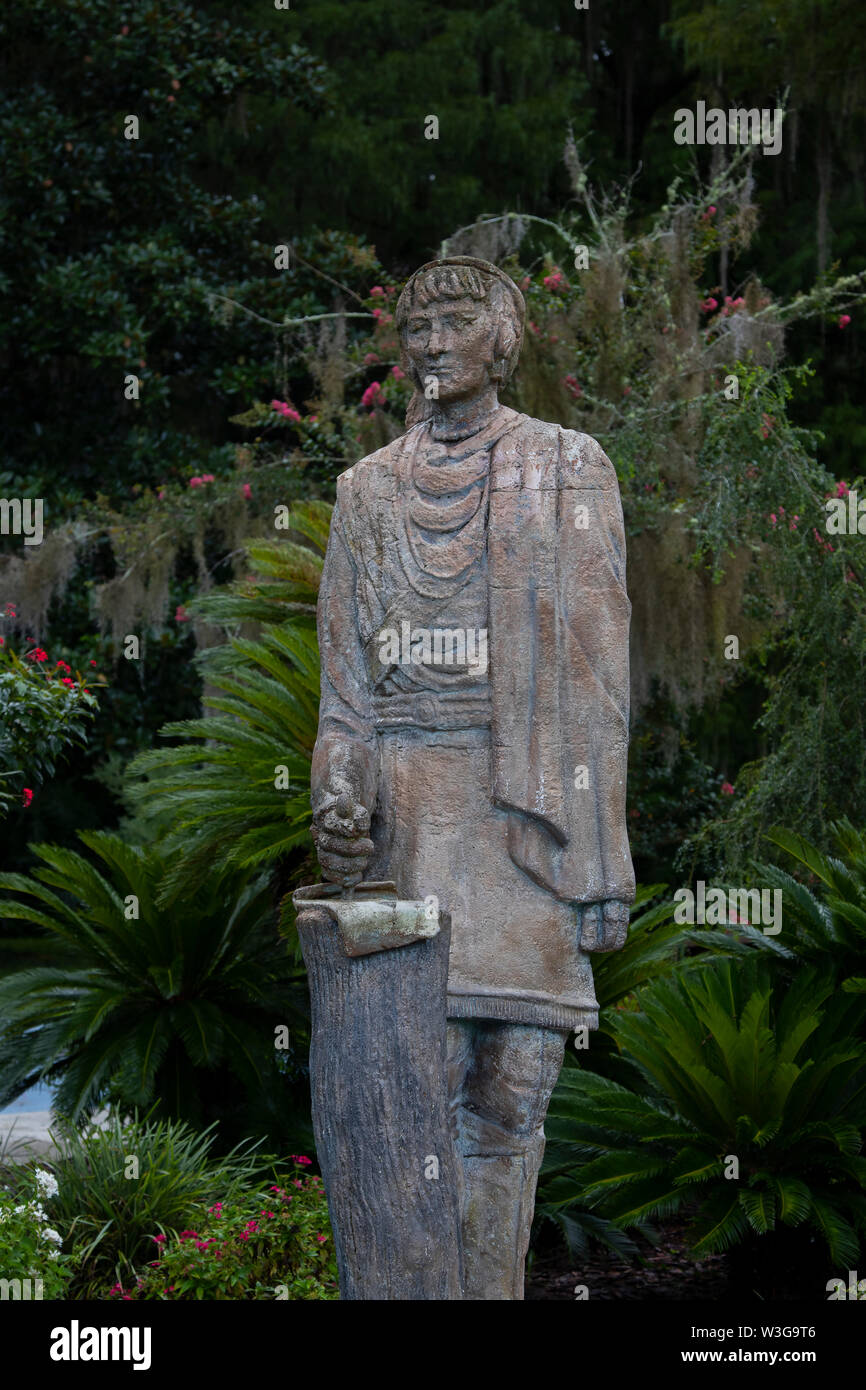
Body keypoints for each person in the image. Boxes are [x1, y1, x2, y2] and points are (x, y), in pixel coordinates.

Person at [310, 255, 634, 1299]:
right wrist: (338, 798)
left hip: (524, 821)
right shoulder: (365, 493)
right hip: (411, 827)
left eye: (455, 322)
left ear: (503, 336)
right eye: (416, 327)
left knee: (511, 1102)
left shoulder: (566, 464)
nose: (432, 343)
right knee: (405, 1104)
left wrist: (602, 864)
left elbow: (599, 676)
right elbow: (345, 699)